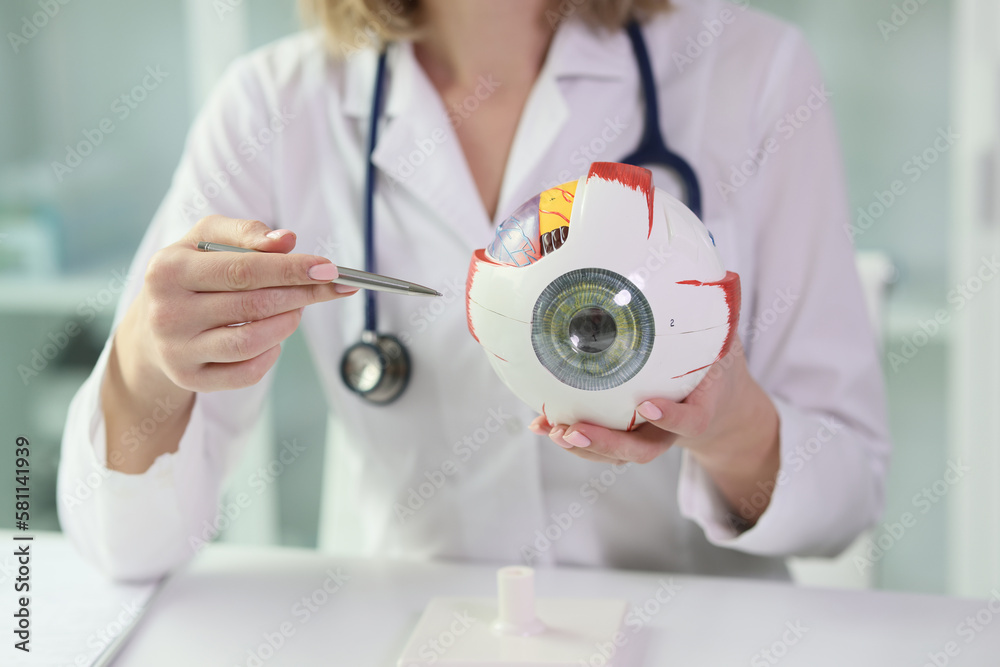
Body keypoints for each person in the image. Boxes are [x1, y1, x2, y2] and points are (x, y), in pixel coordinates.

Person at [58, 0, 890, 582]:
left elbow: (846, 499)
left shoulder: (752, 72)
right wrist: (148, 360)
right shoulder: (273, 105)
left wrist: (728, 419)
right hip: (402, 632)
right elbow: (123, 549)